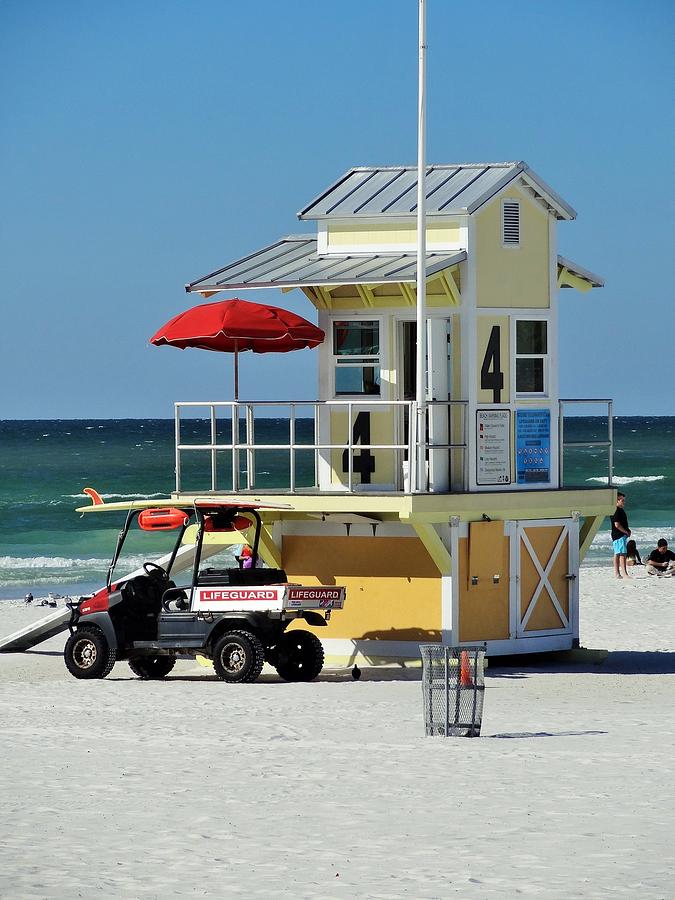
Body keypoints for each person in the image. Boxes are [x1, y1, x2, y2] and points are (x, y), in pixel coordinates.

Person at [611, 492, 631, 579]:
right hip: (619, 534)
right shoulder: (616, 510)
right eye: (622, 500)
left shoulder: (618, 510)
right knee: (622, 554)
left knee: (617, 553)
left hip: (617, 534)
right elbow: (617, 524)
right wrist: (625, 532)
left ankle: (617, 573)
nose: (624, 502)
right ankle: (624, 573)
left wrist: (627, 530)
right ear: (617, 500)